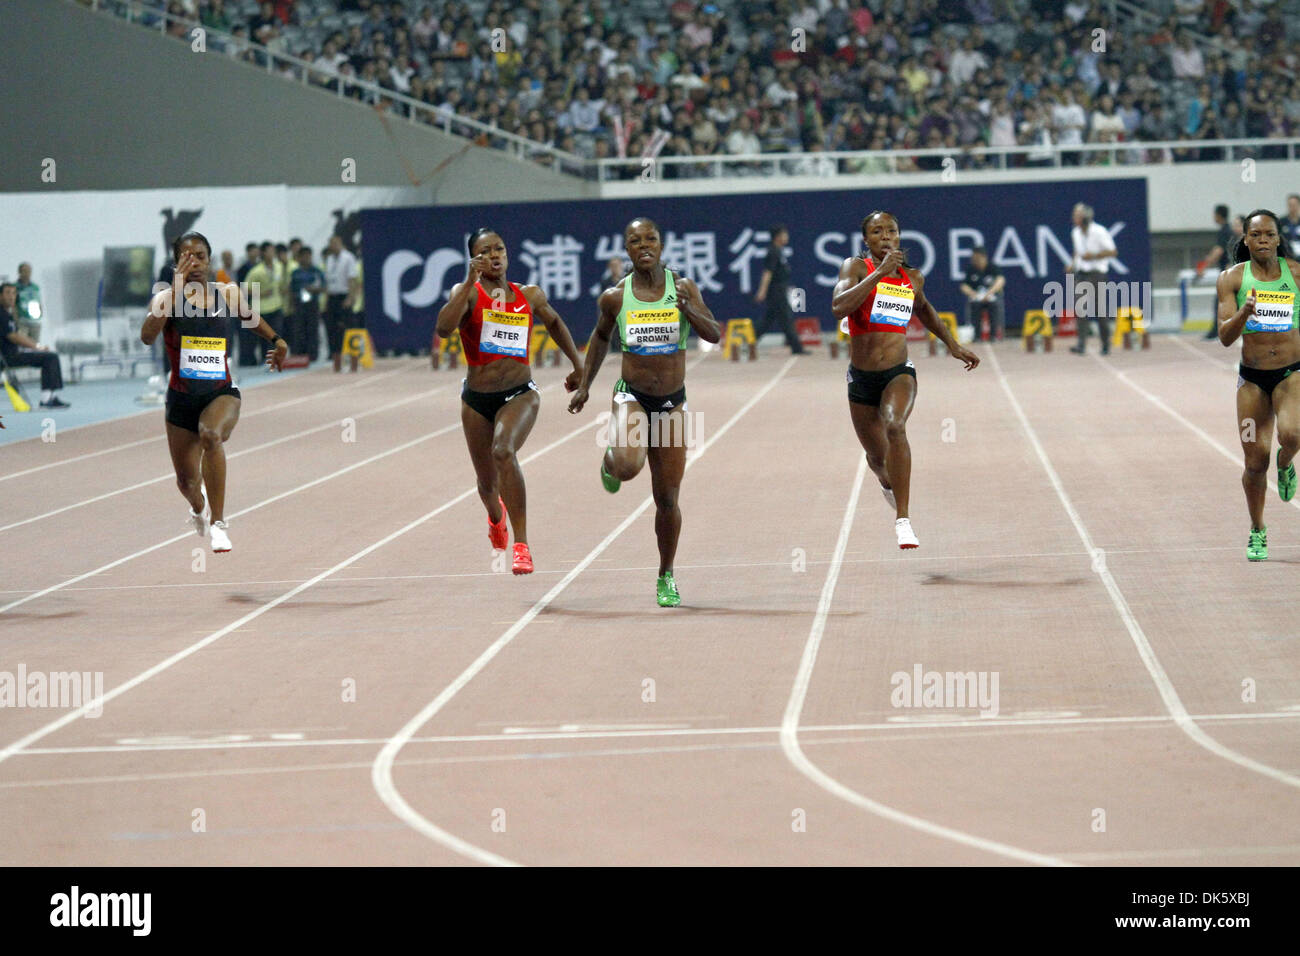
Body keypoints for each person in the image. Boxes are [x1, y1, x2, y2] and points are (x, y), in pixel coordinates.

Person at [567, 217, 721, 606]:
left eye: (650, 238)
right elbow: (601, 337)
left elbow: (714, 335)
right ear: (627, 249)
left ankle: (665, 575)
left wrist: (692, 311)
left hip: (672, 403)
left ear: (662, 244)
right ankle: (611, 462)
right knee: (628, 467)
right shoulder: (616, 297)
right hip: (631, 395)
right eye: (635, 241)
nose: (644, 245)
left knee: (667, 499)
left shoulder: (682, 288)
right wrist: (585, 384)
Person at [435, 228, 583, 574]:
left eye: (499, 248)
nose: (494, 255)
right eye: (484, 252)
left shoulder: (528, 294)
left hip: (520, 393)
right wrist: (468, 282)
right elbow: (443, 329)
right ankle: (495, 517)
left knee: (503, 450)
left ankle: (522, 544)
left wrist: (579, 366)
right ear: (473, 258)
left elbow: (556, 322)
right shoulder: (466, 294)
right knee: (487, 484)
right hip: (476, 400)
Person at [831, 211, 980, 550]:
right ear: (866, 240)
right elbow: (839, 306)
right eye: (877, 232)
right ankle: (887, 483)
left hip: (899, 372)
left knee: (895, 426)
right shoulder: (854, 268)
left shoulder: (913, 277)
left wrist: (953, 345)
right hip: (861, 378)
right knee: (876, 460)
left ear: (899, 237)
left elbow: (924, 309)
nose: (886, 237)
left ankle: (903, 521)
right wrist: (879, 274)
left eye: (892, 231)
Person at [141, 232, 288, 553]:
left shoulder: (227, 293)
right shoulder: (165, 298)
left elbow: (252, 319)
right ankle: (197, 507)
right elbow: (147, 336)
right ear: (176, 261)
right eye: (187, 256)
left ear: (210, 262)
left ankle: (219, 524)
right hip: (180, 400)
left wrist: (277, 340)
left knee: (210, 435)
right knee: (187, 483)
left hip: (220, 392)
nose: (195, 263)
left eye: (201, 256)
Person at [1215, 209, 1300, 561]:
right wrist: (1244, 313)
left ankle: (1287, 462)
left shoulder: (1296, 274)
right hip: (1252, 379)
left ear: (1279, 239)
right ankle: (1258, 530)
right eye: (1256, 235)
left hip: (1291, 372)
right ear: (1246, 240)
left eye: (1269, 234)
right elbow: (1223, 336)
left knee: (1293, 434)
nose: (1263, 240)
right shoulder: (1232, 279)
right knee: (1254, 462)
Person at [1, 283, 69, 408]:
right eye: (7, 293)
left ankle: (50, 396)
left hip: (12, 354)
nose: (11, 296)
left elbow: (15, 335)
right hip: (6, 358)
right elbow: (13, 337)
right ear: (0, 295)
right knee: (50, 358)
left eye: (13, 293)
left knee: (50, 356)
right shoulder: (2, 315)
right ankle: (46, 399)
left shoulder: (8, 314)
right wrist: (37, 346)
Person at [1067, 203, 1118, 355]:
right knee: (1080, 308)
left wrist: (1094, 256)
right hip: (1082, 273)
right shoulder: (1075, 232)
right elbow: (1078, 252)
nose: (1074, 218)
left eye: (1077, 215)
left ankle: (1105, 344)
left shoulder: (1099, 231)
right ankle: (1081, 344)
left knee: (1100, 310)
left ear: (1085, 218)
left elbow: (1113, 251)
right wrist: (1072, 265)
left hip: (1097, 273)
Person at [753, 225, 809, 356]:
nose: (787, 237)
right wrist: (762, 291)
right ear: (778, 237)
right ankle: (797, 347)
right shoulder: (773, 251)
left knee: (768, 320)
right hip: (775, 291)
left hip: (780, 289)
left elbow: (780, 272)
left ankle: (748, 340)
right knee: (786, 318)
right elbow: (768, 272)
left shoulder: (778, 251)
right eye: (784, 234)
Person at [244, 242, 285, 370]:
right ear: (263, 253)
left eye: (273, 251)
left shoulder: (279, 267)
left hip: (277, 306)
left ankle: (274, 360)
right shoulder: (256, 271)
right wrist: (261, 293)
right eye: (269, 251)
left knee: (277, 334)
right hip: (262, 308)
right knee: (265, 337)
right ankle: (265, 360)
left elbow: (281, 283)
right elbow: (246, 289)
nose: (272, 253)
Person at [1196, 204, 1233, 339]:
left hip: (1228, 272)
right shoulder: (1227, 230)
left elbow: (1218, 251)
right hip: (1228, 272)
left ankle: (1216, 331)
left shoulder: (1224, 231)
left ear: (1218, 215)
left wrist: (1204, 265)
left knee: (1220, 302)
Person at [322, 235, 358, 372]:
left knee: (349, 329)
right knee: (332, 330)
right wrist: (326, 301)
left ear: (340, 243)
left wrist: (350, 297)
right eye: (331, 244)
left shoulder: (348, 258)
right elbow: (327, 282)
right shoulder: (329, 259)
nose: (333, 246)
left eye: (336, 243)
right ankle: (337, 362)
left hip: (344, 296)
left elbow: (352, 278)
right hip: (332, 296)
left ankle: (354, 361)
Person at [959, 246, 1006, 341]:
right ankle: (977, 336)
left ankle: (994, 335)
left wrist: (989, 293)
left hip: (991, 297)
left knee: (995, 305)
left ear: (983, 257)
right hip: (977, 298)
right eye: (973, 258)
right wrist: (972, 293)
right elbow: (963, 285)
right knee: (975, 306)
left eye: (977, 258)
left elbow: (1000, 280)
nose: (974, 260)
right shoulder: (971, 270)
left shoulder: (993, 268)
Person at [288, 246, 326, 360]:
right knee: (299, 329)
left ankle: (313, 354)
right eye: (303, 256)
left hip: (312, 303)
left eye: (308, 256)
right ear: (299, 258)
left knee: (312, 329)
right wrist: (291, 304)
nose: (306, 258)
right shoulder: (295, 273)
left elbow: (323, 287)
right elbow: (291, 289)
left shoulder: (317, 271)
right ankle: (300, 353)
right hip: (299, 303)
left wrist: (313, 289)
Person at [14, 262, 42, 343]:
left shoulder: (35, 287)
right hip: (22, 321)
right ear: (19, 272)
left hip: (35, 322)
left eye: (29, 271)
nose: (27, 273)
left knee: (35, 345)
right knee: (22, 344)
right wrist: (16, 321)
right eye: (25, 271)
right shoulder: (15, 286)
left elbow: (38, 300)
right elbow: (13, 305)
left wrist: (40, 312)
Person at [1280, 193, 1300, 258]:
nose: (1292, 207)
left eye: (1294, 205)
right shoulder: (1281, 222)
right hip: (1287, 254)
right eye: (1290, 205)